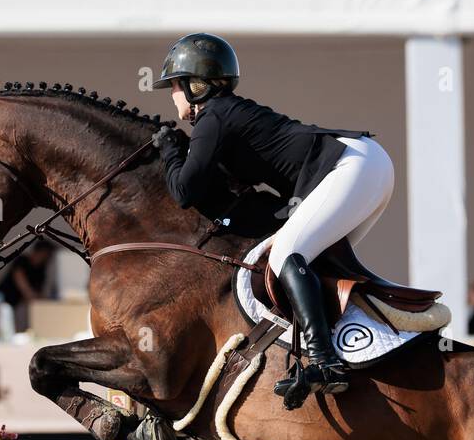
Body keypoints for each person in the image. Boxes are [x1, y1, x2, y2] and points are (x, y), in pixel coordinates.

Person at [153, 33, 392, 407]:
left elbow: (184, 192)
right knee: (316, 265)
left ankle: (325, 362)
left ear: (195, 85)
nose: (171, 94)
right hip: (366, 163)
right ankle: (355, 344)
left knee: (286, 256)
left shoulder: (212, 118)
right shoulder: (223, 115)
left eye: (174, 86)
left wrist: (169, 150)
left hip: (350, 166)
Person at [0, 244, 55, 333]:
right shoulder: (22, 261)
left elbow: (38, 292)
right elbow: (20, 281)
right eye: (44, 254)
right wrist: (33, 297)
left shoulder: (41, 270)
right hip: (2, 298)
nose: (44, 258)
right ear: (37, 252)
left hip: (19, 303)